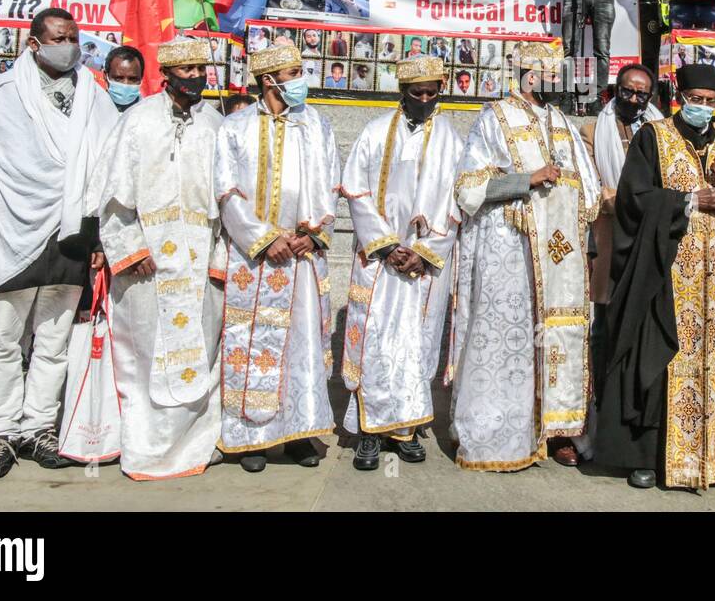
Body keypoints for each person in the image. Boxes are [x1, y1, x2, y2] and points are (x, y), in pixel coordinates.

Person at [0, 8, 118, 480]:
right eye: (59, 38)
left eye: (74, 38)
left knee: (54, 341)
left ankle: (39, 428)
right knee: (2, 341)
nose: (69, 46)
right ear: (34, 43)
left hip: (69, 240)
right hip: (9, 233)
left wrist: (100, 238)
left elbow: (104, 177)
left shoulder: (94, 97)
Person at [596, 63, 715, 490]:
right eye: (697, 101)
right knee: (660, 359)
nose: (704, 108)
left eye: (711, 102)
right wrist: (690, 199)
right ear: (680, 98)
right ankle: (649, 456)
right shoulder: (654, 138)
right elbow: (634, 198)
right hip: (666, 273)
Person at [449, 41, 601, 470]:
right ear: (532, 77)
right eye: (554, 75)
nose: (562, 83)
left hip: (562, 255)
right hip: (512, 252)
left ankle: (559, 431)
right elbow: (469, 189)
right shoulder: (494, 118)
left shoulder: (563, 123)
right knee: (511, 340)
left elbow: (587, 191)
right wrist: (527, 179)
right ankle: (505, 433)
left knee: (560, 339)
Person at [85, 38, 224, 480]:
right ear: (167, 75)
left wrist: (221, 257)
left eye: (201, 70)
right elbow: (109, 197)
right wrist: (128, 249)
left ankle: (197, 444)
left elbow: (231, 201)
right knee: (147, 353)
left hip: (201, 259)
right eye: (186, 72)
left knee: (199, 350)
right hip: (149, 262)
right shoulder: (138, 121)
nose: (195, 78)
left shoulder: (215, 125)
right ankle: (146, 449)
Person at [212, 44, 341, 472]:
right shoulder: (234, 128)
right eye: (294, 72)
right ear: (269, 80)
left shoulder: (317, 125)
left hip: (302, 255)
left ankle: (301, 434)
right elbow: (226, 191)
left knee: (302, 345)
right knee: (249, 346)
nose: (302, 78)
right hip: (254, 259)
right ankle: (251, 437)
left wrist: (314, 233)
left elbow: (331, 183)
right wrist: (263, 238)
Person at [340, 56, 462, 471]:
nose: (425, 100)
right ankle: (368, 432)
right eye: (417, 93)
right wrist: (388, 245)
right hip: (380, 260)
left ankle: (405, 429)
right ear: (402, 92)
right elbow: (355, 192)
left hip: (423, 264)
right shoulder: (374, 133)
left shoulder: (451, 139)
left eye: (432, 93)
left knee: (415, 344)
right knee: (374, 340)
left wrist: (425, 251)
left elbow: (456, 204)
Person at [578, 64, 662, 454]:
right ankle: (598, 415)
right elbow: (592, 190)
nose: (633, 99)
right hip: (610, 244)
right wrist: (640, 201)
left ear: (650, 96)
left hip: (647, 247)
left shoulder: (662, 131)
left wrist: (641, 201)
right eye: (627, 91)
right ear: (615, 91)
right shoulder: (593, 132)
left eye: (641, 94)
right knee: (604, 333)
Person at [104, 45, 145, 112]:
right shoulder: (91, 108)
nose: (125, 84)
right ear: (105, 76)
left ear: (141, 78)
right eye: (118, 78)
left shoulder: (149, 114)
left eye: (132, 79)